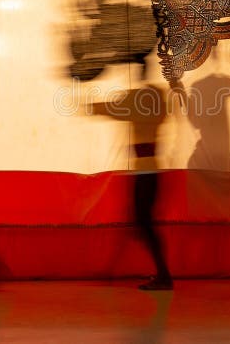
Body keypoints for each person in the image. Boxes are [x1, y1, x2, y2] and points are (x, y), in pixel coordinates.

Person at [90, 57, 174, 290]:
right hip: (153, 168)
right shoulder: (159, 96)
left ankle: (164, 275)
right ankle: (160, 273)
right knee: (143, 223)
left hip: (143, 171)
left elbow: (111, 108)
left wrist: (90, 104)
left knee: (143, 223)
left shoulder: (138, 97)